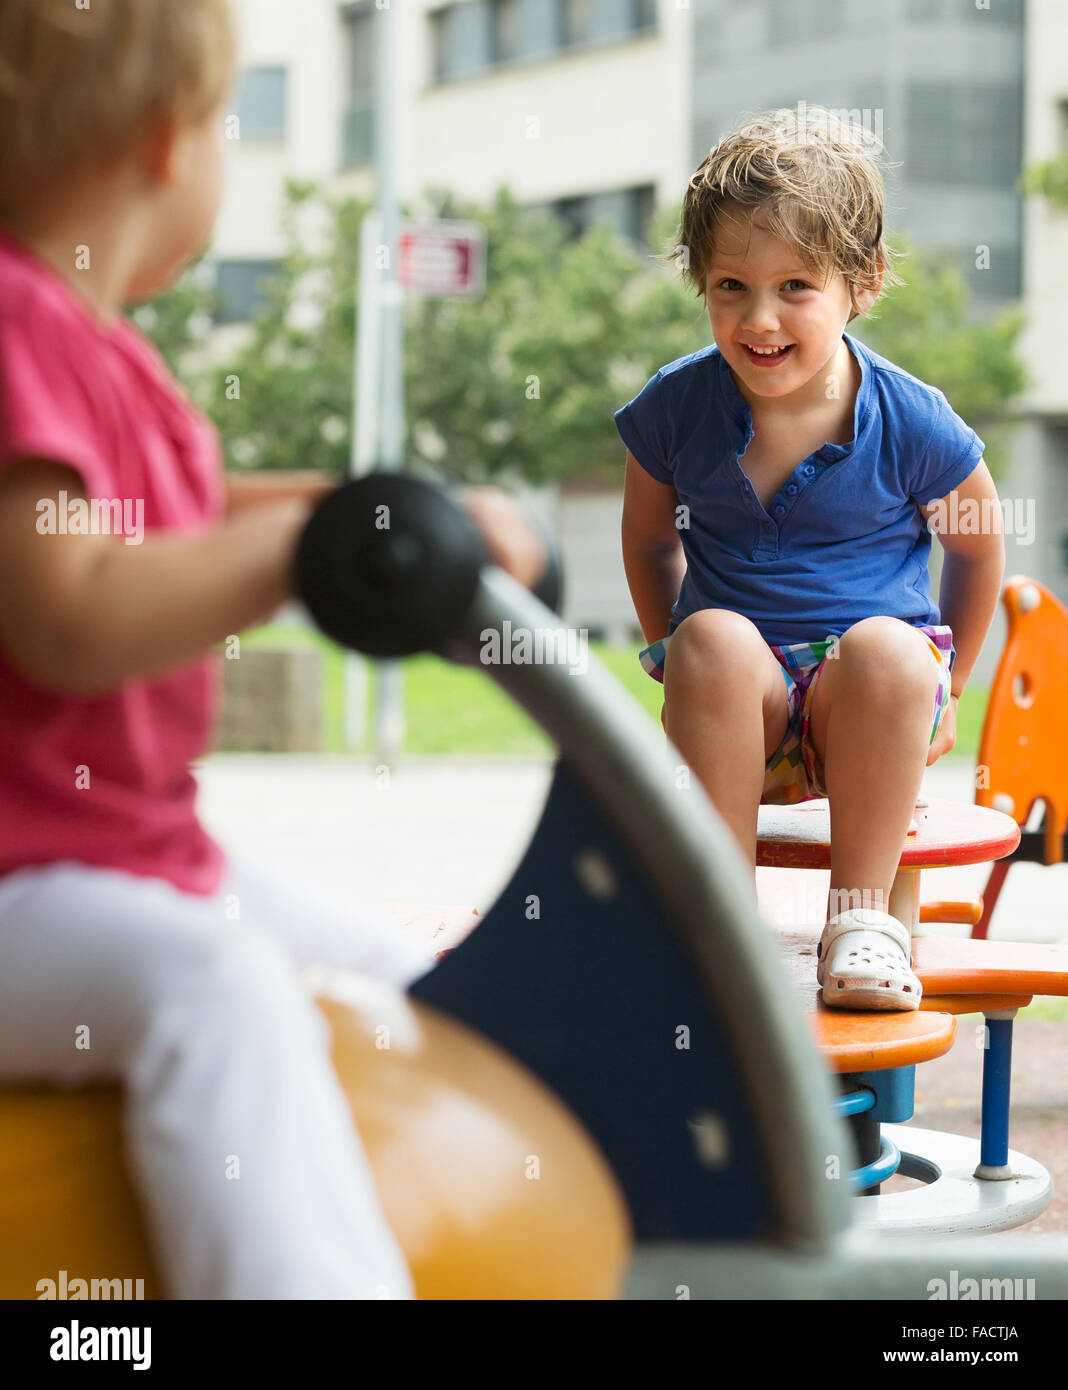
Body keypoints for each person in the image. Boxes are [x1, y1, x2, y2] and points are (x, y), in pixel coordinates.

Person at [0, 0, 543, 1298]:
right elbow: (64, 611)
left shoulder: (101, 354)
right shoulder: (15, 320)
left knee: (418, 973)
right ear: (163, 142)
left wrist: (402, 517)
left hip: (117, 855)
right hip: (28, 878)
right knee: (214, 983)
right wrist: (309, 549)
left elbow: (205, 517)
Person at [617, 107, 1005, 1012]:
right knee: (706, 635)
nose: (760, 319)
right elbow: (646, 538)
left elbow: (978, 553)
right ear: (698, 282)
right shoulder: (676, 407)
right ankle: (719, 926)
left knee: (887, 649)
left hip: (863, 715)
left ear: (861, 282)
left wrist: (950, 693)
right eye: (729, 286)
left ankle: (862, 922)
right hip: (740, 712)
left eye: (796, 285)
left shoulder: (910, 419)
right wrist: (676, 662)